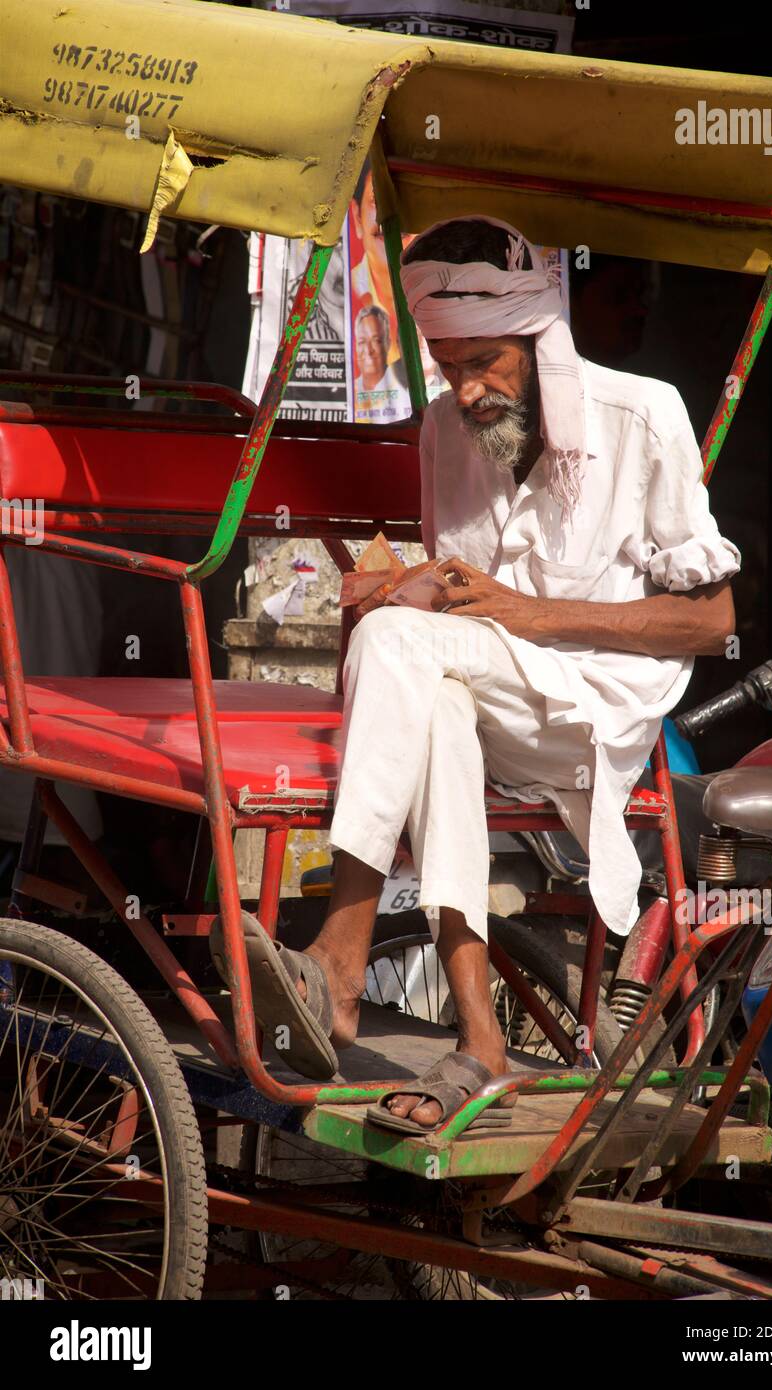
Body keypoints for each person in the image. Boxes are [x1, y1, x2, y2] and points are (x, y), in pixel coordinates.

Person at [211, 215, 739, 1134]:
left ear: (540, 338)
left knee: (400, 649)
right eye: (451, 366)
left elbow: (712, 622)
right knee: (423, 680)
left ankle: (341, 951)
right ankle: (479, 1037)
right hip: (478, 687)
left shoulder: (643, 413)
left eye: (488, 361)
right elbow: (451, 606)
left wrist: (525, 612)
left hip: (593, 710)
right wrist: (405, 588)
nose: (470, 388)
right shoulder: (443, 431)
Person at [352, 304, 411, 423]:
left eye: (376, 341)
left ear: (388, 344)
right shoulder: (351, 390)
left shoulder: (405, 388)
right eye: (362, 342)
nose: (368, 350)